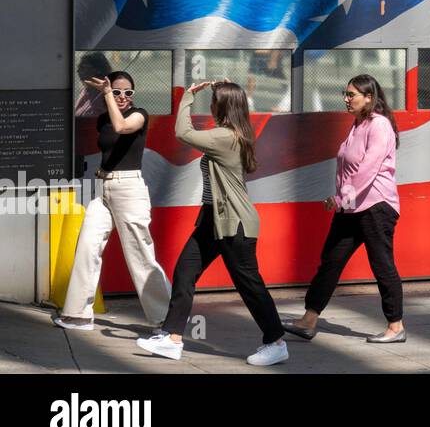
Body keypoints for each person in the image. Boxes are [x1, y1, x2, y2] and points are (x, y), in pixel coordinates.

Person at [136, 80, 288, 366]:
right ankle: (172, 338)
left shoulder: (226, 137)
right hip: (213, 219)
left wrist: (188, 96)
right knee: (184, 272)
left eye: (214, 100)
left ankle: (276, 342)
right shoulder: (233, 134)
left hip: (234, 223)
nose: (210, 104)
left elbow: (182, 132)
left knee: (249, 284)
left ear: (223, 106)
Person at [283, 74, 405, 343]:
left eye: (352, 95)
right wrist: (343, 199)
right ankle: (309, 320)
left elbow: (367, 170)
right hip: (351, 207)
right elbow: (347, 170)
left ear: (369, 98)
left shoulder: (379, 125)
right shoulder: (358, 124)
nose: (346, 99)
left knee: (382, 264)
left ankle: (395, 326)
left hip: (376, 206)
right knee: (330, 261)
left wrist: (340, 199)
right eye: (345, 93)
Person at [53, 71, 172, 331]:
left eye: (127, 92)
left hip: (129, 189)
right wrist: (99, 95)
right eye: (117, 91)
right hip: (103, 187)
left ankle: (167, 318)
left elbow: (122, 128)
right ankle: (78, 314)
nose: (122, 97)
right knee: (87, 246)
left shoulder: (139, 114)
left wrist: (107, 94)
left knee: (140, 255)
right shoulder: (103, 118)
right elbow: (109, 130)